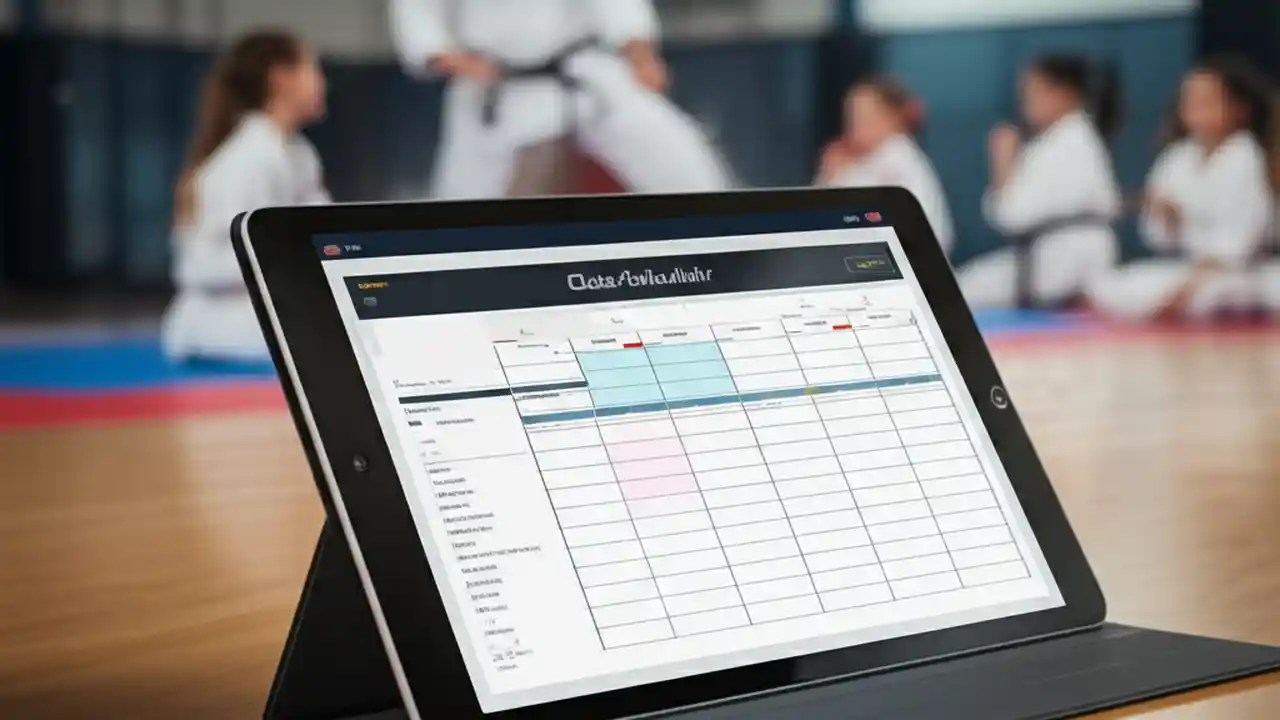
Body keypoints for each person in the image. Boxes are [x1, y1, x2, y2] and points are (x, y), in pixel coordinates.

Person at [389, 0, 731, 199]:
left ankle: (732, 244)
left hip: (586, 73)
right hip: (496, 88)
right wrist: (457, 61)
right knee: (458, 212)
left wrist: (640, 54)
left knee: (681, 158)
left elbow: (619, 8)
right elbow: (420, 28)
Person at [162, 31, 330, 362]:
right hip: (216, 317)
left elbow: (323, 236)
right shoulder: (253, 155)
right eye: (314, 70)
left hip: (256, 307)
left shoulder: (298, 153)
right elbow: (203, 265)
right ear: (280, 78)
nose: (323, 83)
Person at [1088, 58, 1278, 319]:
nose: (1196, 108)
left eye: (1208, 100)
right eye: (1190, 101)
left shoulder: (1246, 154)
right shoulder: (1176, 157)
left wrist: (1190, 285)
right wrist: (1169, 217)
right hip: (1187, 265)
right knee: (1106, 285)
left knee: (1218, 294)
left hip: (1239, 270)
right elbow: (1157, 237)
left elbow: (1245, 239)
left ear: (1238, 108)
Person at [959, 55, 1122, 309]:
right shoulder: (1065, 139)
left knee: (960, 290)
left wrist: (1003, 161)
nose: (1025, 103)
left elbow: (1011, 217)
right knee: (964, 284)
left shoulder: (1069, 143)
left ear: (1064, 93)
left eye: (1032, 92)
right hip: (1065, 254)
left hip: (1063, 259)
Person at [817, 76, 955, 257]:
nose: (855, 125)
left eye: (865, 116)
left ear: (894, 116)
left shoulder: (897, 153)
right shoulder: (859, 159)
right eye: (851, 116)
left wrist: (835, 177)